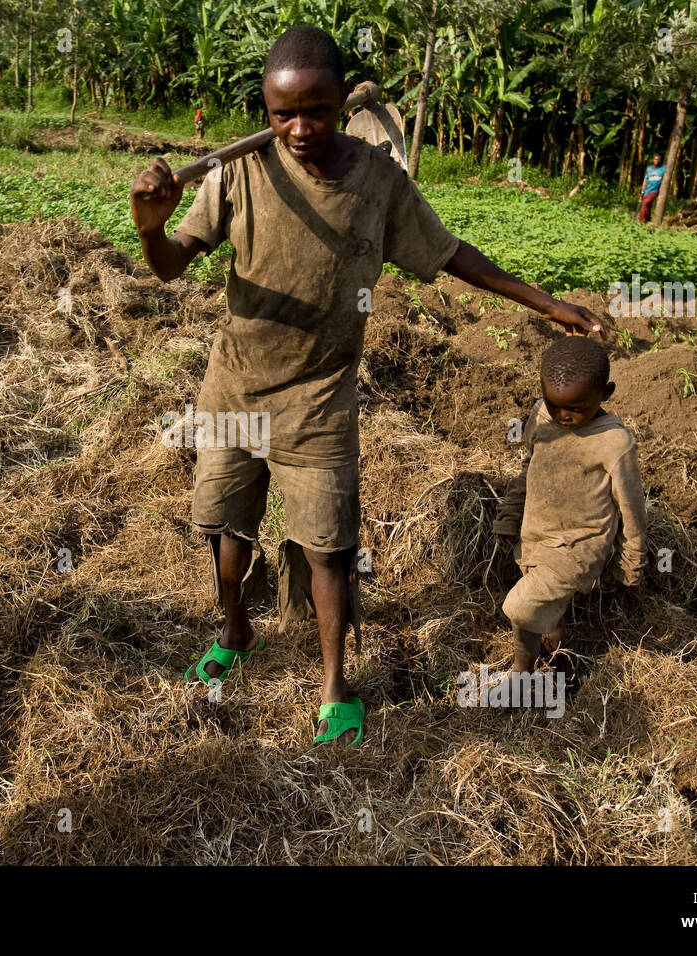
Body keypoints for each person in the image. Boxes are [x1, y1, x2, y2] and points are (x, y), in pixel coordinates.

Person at [129, 24, 603, 746]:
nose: (297, 129)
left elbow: (449, 255)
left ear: (341, 100)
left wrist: (544, 302)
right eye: (280, 113)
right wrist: (148, 228)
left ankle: (332, 685)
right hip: (233, 392)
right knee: (226, 529)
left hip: (319, 403)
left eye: (314, 111)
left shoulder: (379, 185)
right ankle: (234, 630)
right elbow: (169, 265)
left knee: (328, 550)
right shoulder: (238, 175)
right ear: (265, 108)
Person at [491, 337, 649, 687]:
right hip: (535, 534)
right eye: (554, 404)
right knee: (545, 608)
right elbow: (527, 467)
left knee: (522, 607)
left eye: (576, 408)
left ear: (605, 393)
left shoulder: (614, 443)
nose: (564, 416)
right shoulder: (542, 416)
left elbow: (632, 508)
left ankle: (521, 675)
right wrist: (510, 516)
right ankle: (563, 659)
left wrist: (631, 563)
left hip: (580, 545)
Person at [638, 152, 666, 223]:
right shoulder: (649, 169)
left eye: (659, 159)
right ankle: (648, 220)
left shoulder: (663, 168)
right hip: (647, 190)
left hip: (655, 191)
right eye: (655, 159)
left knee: (645, 204)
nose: (657, 161)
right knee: (647, 206)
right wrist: (642, 192)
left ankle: (642, 220)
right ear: (653, 160)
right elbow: (646, 181)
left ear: (661, 160)